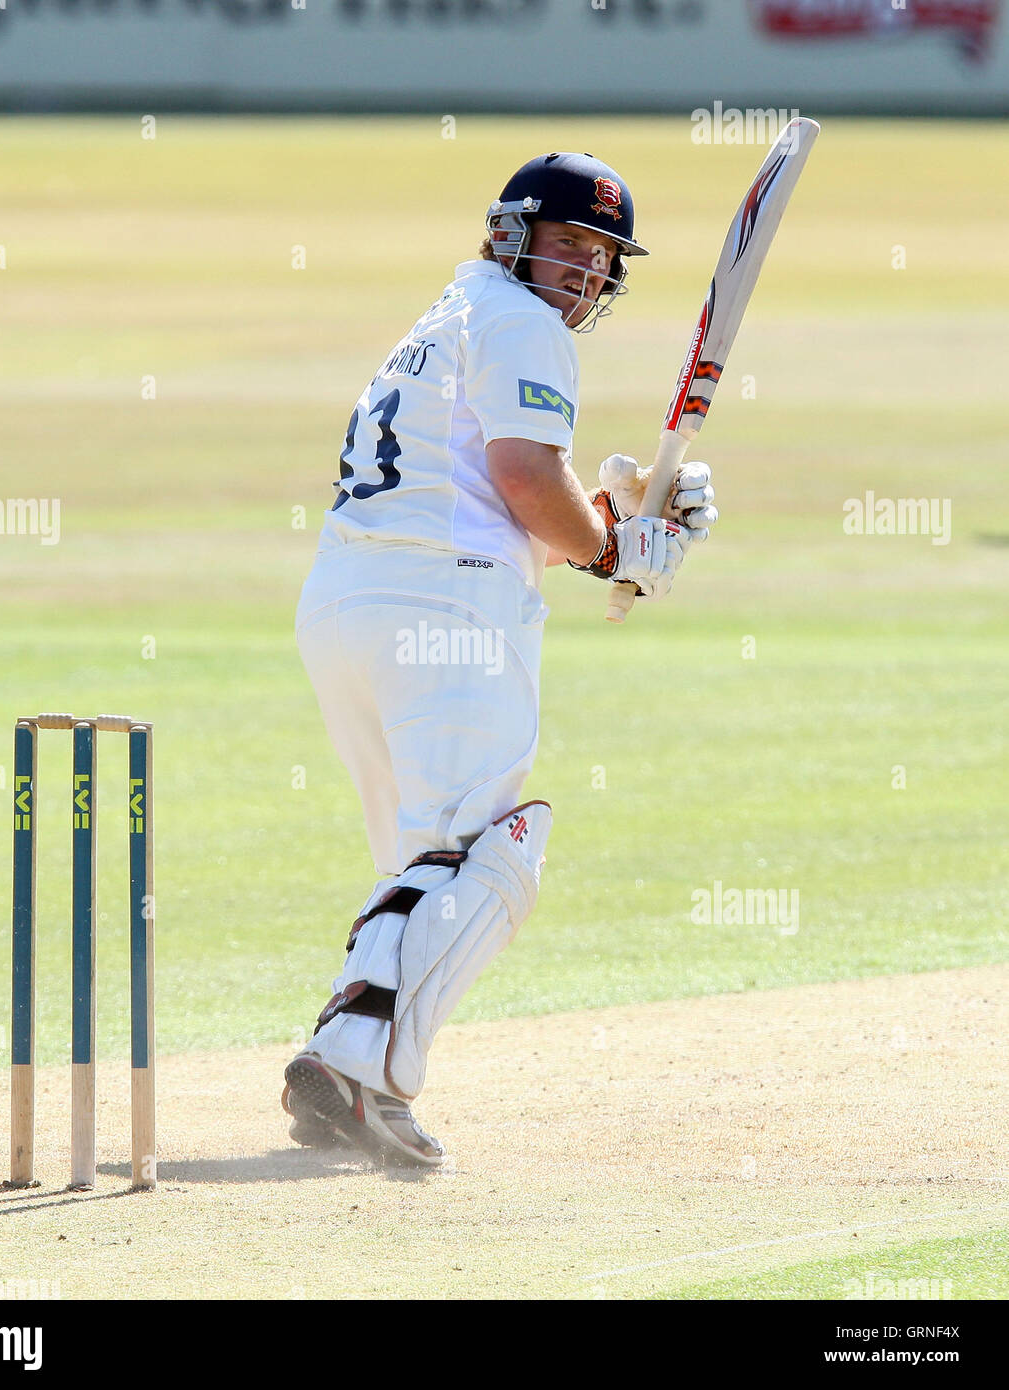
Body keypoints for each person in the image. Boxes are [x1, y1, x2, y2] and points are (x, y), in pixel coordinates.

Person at [283, 152, 718, 1166]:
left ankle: (357, 1077)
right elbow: (524, 479)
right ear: (507, 234)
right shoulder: (518, 322)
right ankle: (350, 1067)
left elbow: (495, 482)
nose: (581, 271)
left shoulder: (448, 317)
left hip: (347, 602)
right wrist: (613, 547)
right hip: (446, 609)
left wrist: (609, 518)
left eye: (599, 256)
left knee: (423, 868)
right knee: (492, 856)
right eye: (566, 245)